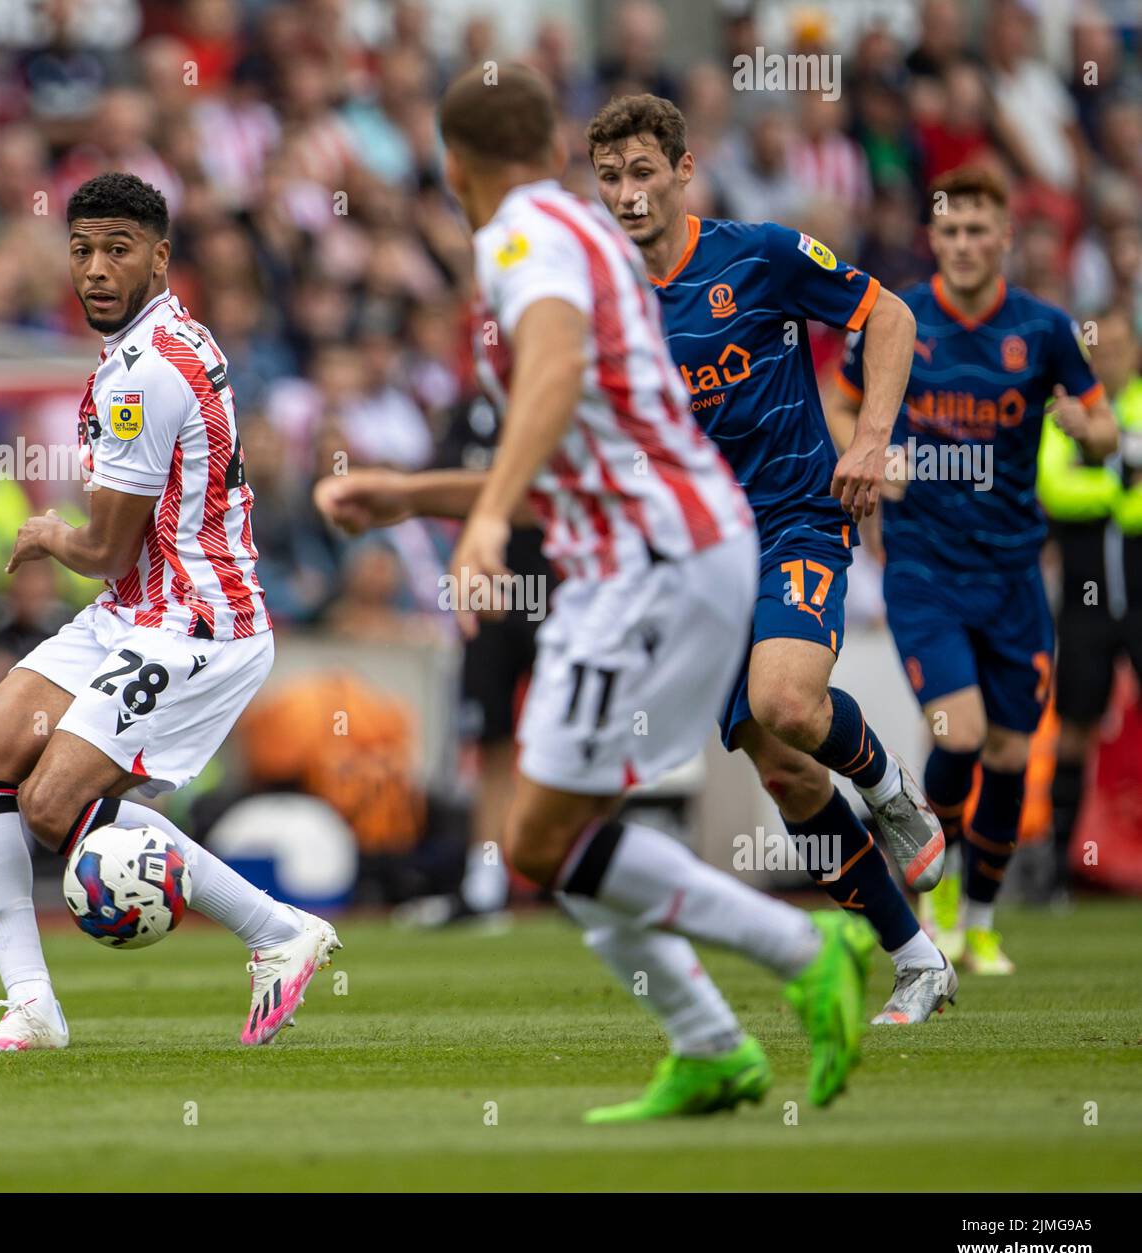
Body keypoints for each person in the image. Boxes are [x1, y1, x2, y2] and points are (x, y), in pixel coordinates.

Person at [317, 64, 875, 1123]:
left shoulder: (520, 242)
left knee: (540, 837)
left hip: (650, 558)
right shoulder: (587, 241)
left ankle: (809, 947)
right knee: (565, 828)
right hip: (660, 543)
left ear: (452, 164)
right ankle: (710, 1044)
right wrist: (418, 496)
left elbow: (559, 376)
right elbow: (585, 449)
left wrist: (480, 522)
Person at [0, 172, 340, 1052]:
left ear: (160, 257)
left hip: (196, 622)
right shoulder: (155, 340)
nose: (93, 269)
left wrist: (47, 529)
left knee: (51, 804)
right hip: (134, 613)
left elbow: (104, 550)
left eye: (117, 249)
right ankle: (33, 1007)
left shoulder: (144, 371)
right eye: (82, 249)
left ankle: (277, 930)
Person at [585, 93, 952, 1026]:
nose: (626, 194)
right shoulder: (601, 304)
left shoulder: (761, 255)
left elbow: (892, 319)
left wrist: (869, 440)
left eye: (640, 172)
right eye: (608, 177)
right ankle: (917, 959)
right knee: (787, 774)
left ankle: (885, 783)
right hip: (698, 563)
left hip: (795, 517)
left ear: (681, 170)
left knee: (791, 700)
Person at [830, 166, 1118, 973]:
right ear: (934, 237)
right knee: (955, 727)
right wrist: (867, 449)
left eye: (975, 230)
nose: (960, 244)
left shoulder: (1047, 327)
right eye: (947, 230)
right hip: (923, 564)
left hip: (1015, 571)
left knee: (1008, 754)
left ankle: (981, 920)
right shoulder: (899, 318)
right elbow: (839, 396)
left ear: (1004, 238)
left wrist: (1086, 429)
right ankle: (939, 889)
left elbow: (1099, 422)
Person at [1038, 309, 1142, 903]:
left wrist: (1105, 488)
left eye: (1120, 347)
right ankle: (1056, 870)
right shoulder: (1067, 413)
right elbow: (1054, 488)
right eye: (1099, 350)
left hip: (1140, 594)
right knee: (1074, 728)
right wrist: (1119, 482)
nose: (1110, 360)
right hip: (1087, 603)